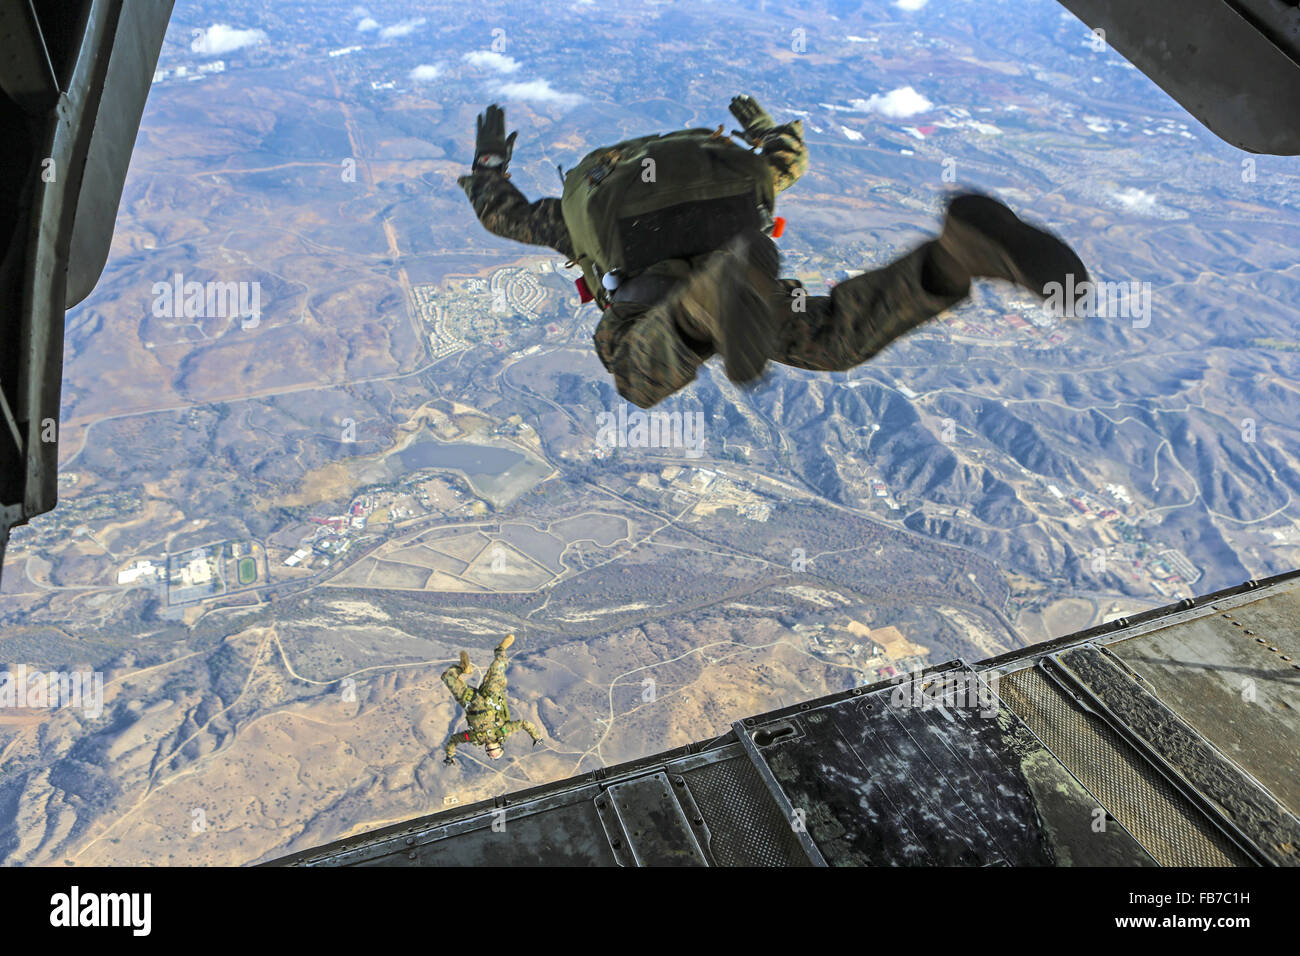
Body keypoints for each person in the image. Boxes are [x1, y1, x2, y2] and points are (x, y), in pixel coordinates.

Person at [458, 97, 1087, 410]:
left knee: (632, 370)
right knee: (828, 338)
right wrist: (761, 129)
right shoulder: (719, 163)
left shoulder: (571, 221)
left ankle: (697, 310)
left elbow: (497, 210)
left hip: (659, 242)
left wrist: (490, 162)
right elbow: (790, 156)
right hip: (731, 203)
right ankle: (957, 255)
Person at [440, 634, 542, 764]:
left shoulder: (475, 738)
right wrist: (536, 737)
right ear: (500, 746)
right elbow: (523, 724)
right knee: (498, 667)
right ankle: (500, 649)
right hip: (491, 695)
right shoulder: (503, 731)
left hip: (470, 701)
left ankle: (463, 669)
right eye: (496, 752)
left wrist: (449, 756)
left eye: (490, 754)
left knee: (447, 677)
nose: (492, 751)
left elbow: (454, 740)